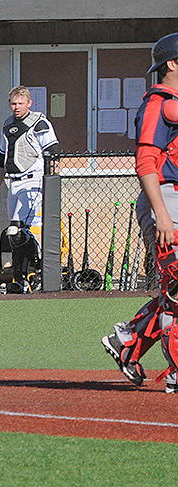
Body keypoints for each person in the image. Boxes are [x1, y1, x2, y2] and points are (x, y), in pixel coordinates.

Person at [102, 32, 178, 391]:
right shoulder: (158, 103)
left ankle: (129, 340)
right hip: (166, 198)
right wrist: (161, 213)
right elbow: (146, 161)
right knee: (177, 286)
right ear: (173, 64)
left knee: (173, 290)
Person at [0, 85, 59, 294]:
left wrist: (48, 184)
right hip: (13, 182)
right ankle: (19, 279)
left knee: (22, 230)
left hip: (33, 182)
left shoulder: (39, 123)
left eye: (21, 103)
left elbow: (52, 152)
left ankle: (39, 272)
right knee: (15, 234)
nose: (17, 107)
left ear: (29, 103)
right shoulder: (7, 124)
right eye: (13, 103)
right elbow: (2, 158)